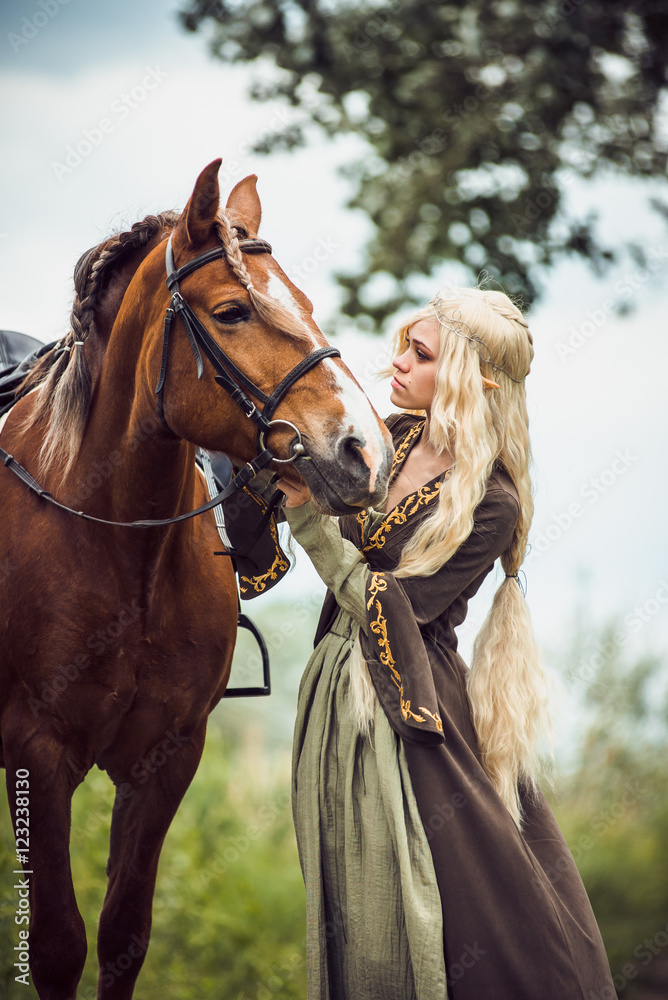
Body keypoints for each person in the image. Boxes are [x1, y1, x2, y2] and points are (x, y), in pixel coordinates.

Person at [277, 287, 616, 1000]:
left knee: (436, 893)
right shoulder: (387, 435)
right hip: (332, 684)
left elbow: (393, 604)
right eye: (402, 343)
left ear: (469, 376)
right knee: (341, 883)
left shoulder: (493, 502)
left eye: (420, 353)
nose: (396, 362)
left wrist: (308, 521)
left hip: (402, 697)